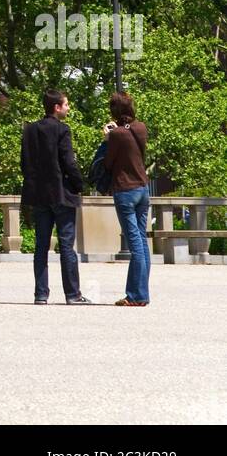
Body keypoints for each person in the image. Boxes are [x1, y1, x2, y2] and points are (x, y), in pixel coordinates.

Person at [21, 90, 91, 305]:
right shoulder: (62, 130)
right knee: (66, 246)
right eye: (66, 104)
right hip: (61, 194)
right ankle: (73, 294)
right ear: (57, 107)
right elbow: (68, 162)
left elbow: (24, 163)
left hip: (38, 194)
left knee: (41, 246)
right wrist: (79, 185)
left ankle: (41, 294)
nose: (68, 108)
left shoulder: (30, 130)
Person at [103, 92, 150, 307]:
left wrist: (107, 138)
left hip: (125, 191)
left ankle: (135, 295)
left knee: (135, 245)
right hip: (142, 188)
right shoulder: (141, 128)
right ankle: (141, 293)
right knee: (142, 241)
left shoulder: (116, 135)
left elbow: (109, 163)